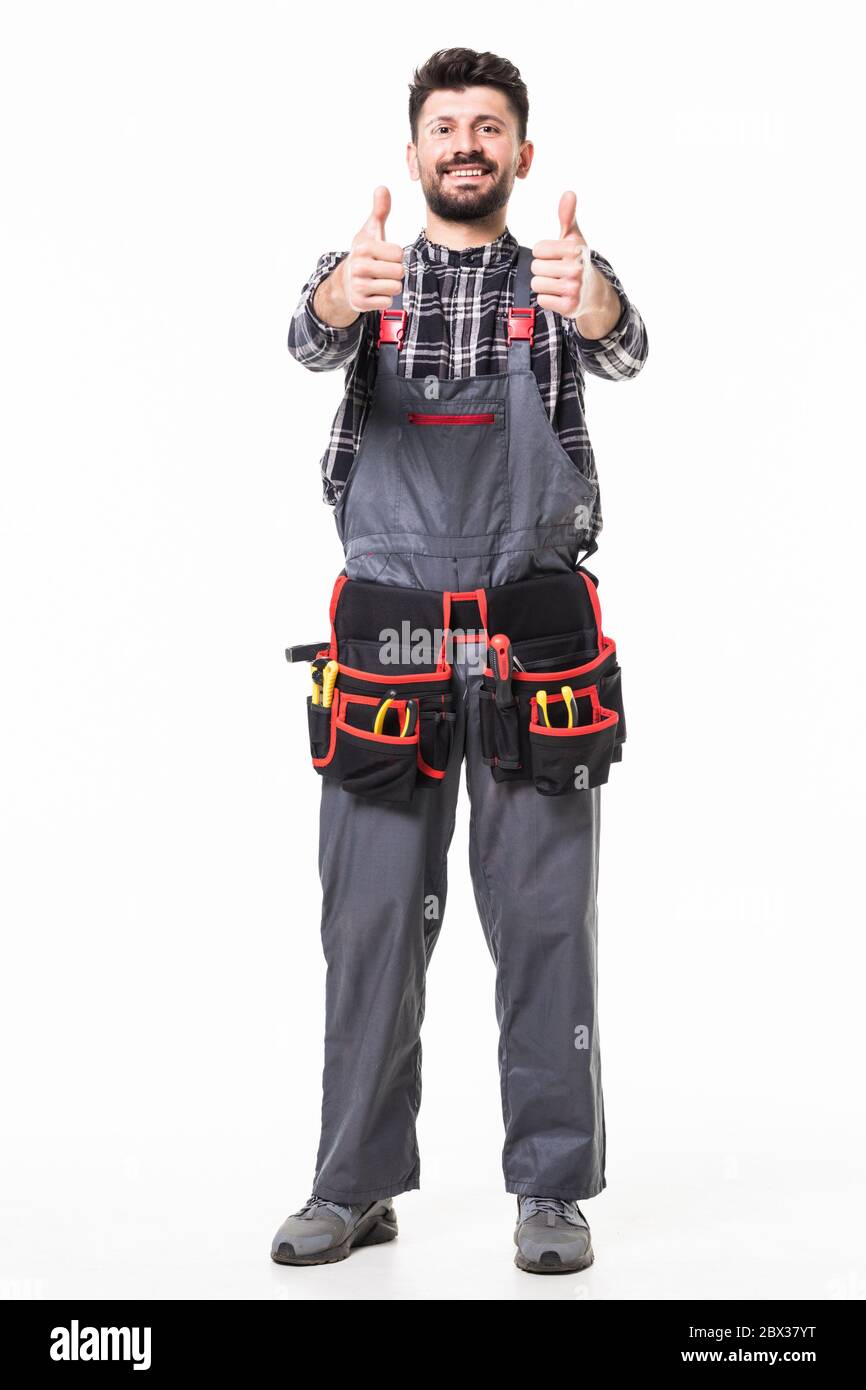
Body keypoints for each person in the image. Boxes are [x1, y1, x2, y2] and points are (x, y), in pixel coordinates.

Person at [272, 47, 648, 1275]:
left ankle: (550, 1190)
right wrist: (335, 297)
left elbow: (629, 345)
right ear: (417, 151)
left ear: (520, 155)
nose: (467, 144)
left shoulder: (555, 276)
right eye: (446, 125)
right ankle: (353, 1183)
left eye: (490, 126)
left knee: (544, 926)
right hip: (390, 644)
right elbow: (304, 339)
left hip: (528, 639)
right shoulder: (367, 271)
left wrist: (590, 301)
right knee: (370, 924)